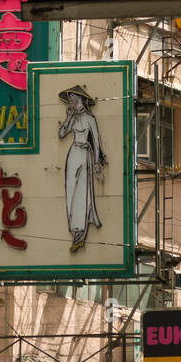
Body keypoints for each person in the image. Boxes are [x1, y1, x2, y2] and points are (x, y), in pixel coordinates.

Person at [58, 85, 106, 252]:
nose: (72, 103)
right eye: (70, 101)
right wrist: (69, 117)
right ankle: (73, 229)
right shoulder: (73, 118)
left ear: (81, 101)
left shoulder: (90, 118)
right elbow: (62, 133)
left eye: (74, 100)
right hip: (72, 155)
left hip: (85, 155)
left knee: (82, 194)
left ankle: (80, 232)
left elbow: (97, 143)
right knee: (71, 192)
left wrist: (96, 164)